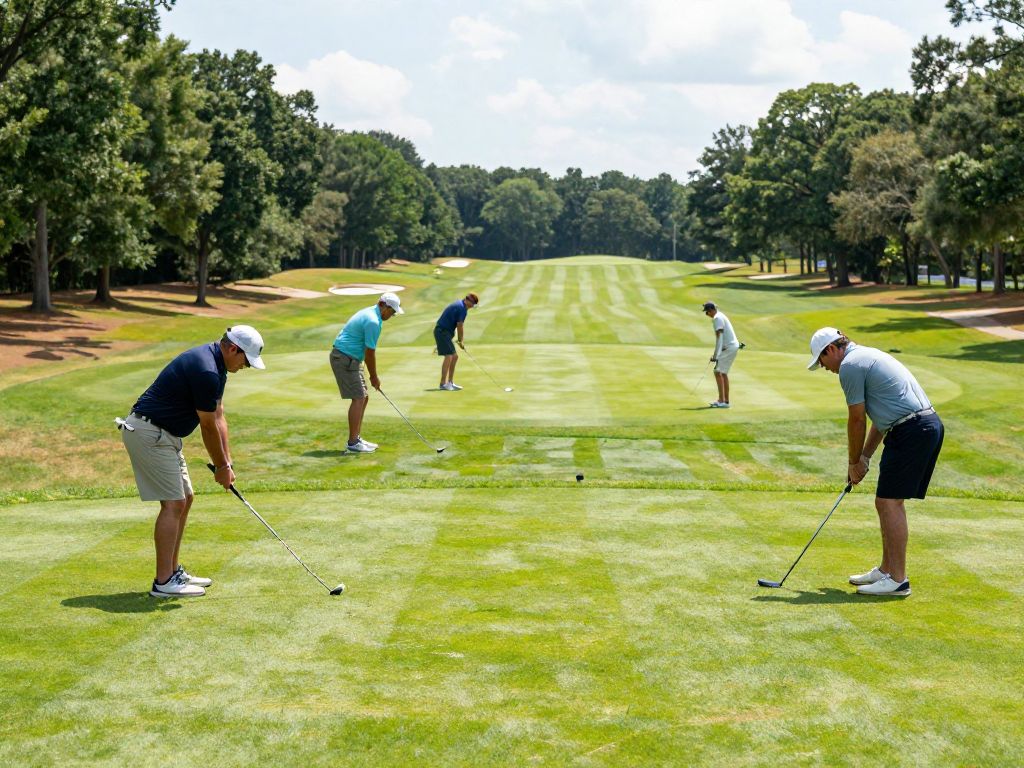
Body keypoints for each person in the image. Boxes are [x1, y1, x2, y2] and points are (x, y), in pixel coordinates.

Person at [118, 325, 266, 598]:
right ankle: (164, 582)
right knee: (174, 503)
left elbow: (219, 416)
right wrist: (220, 467)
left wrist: (227, 464)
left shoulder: (217, 365)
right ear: (233, 348)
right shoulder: (207, 369)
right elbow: (208, 427)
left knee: (186, 497)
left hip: (166, 435)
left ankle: (172, 571)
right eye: (245, 360)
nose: (245, 366)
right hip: (149, 432)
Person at [808, 327, 944, 597]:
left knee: (888, 502)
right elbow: (880, 421)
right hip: (917, 427)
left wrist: (852, 462)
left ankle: (897, 580)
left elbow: (857, 419)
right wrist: (864, 458)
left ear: (831, 349)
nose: (823, 367)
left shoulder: (850, 366)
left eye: (821, 360)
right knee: (886, 501)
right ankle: (886, 570)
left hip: (912, 430)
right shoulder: (865, 356)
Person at [330, 292, 403, 453]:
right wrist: (374, 376)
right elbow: (370, 353)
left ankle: (356, 438)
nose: (392, 315)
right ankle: (353, 443)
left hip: (351, 358)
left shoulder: (372, 314)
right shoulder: (373, 321)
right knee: (359, 398)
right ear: (383, 305)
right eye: (391, 312)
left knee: (364, 397)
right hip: (344, 358)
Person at [434, 293, 479, 390]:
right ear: (469, 301)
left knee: (454, 357)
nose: (472, 307)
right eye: (472, 305)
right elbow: (460, 325)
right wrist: (460, 341)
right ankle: (443, 384)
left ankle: (450, 383)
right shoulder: (462, 308)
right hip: (442, 332)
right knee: (449, 356)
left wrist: (459, 341)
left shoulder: (461, 305)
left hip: (443, 332)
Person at [702, 301, 741, 408]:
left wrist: (715, 356)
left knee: (718, 371)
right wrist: (718, 353)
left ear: (711, 310)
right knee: (722, 373)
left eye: (707, 312)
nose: (707, 315)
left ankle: (722, 401)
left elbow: (719, 338)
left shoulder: (717, 318)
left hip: (729, 347)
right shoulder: (720, 315)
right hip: (730, 346)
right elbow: (722, 339)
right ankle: (725, 401)